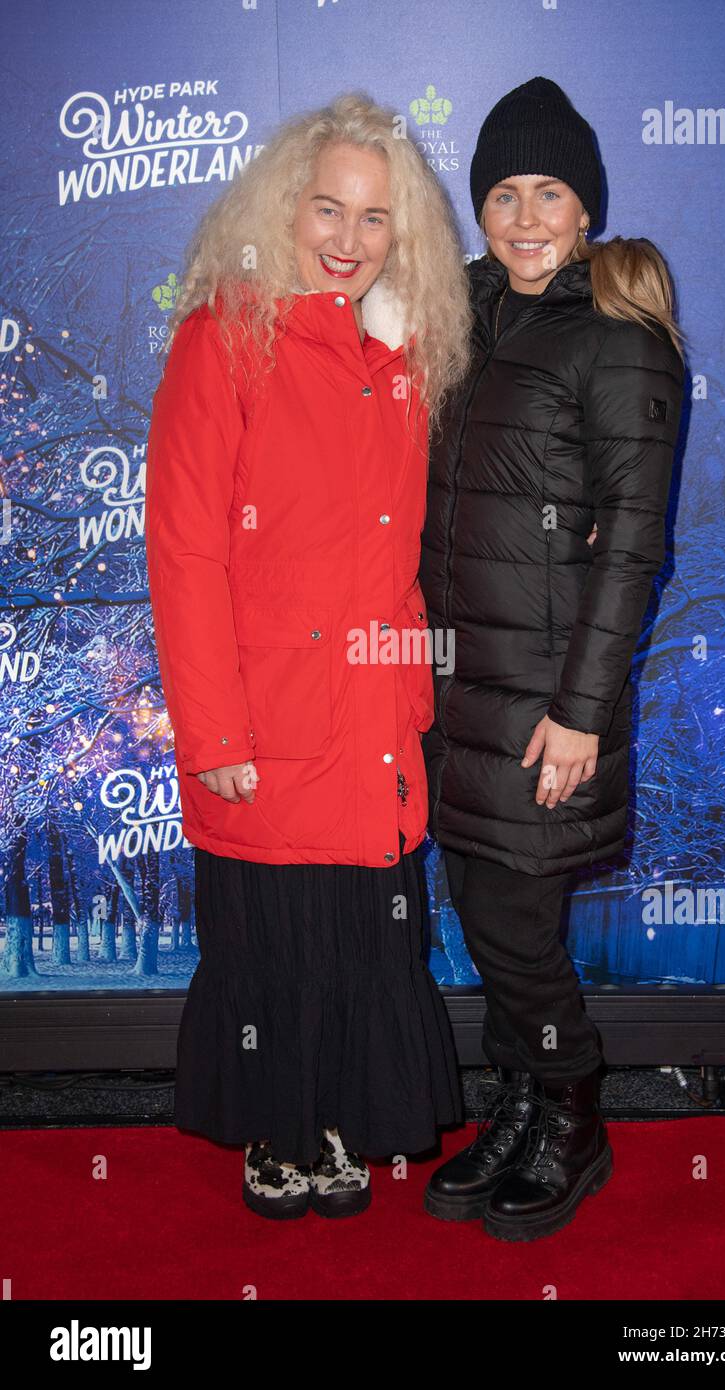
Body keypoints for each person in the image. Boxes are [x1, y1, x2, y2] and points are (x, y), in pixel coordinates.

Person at [144, 92, 472, 1221]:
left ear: (403, 236)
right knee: (272, 934)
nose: (347, 238)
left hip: (370, 714)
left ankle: (333, 1114)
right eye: (326, 207)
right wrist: (215, 732)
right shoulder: (221, 338)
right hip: (267, 714)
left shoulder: (403, 359)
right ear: (283, 207)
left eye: (375, 219)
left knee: (356, 934)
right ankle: (275, 1131)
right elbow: (183, 552)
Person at [419, 77, 686, 1242]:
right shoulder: (461, 321)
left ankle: (573, 1110)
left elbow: (631, 545)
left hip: (545, 706)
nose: (524, 215)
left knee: (515, 926)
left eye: (550, 191)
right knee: (483, 913)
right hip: (455, 694)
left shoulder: (616, 342)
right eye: (502, 192)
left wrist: (579, 715)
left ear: (585, 209)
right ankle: (522, 1098)